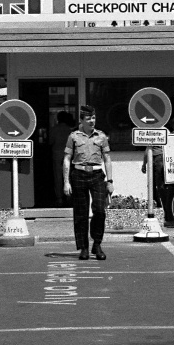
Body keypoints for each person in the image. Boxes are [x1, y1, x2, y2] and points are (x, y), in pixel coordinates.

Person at [63, 105, 113, 260]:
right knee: (80, 213)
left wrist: (110, 181)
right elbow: (66, 159)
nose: (92, 121)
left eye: (94, 118)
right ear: (81, 120)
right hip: (78, 174)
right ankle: (83, 247)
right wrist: (66, 182)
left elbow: (107, 159)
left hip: (97, 175)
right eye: (88, 119)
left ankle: (96, 244)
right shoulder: (73, 137)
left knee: (99, 210)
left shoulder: (101, 136)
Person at [143, 118, 174, 227]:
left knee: (160, 189)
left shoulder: (151, 132)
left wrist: (144, 163)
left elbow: (148, 149)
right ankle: (172, 215)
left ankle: (168, 215)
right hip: (167, 161)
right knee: (168, 189)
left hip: (157, 160)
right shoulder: (165, 131)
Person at [48, 111, 76, 206]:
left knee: (58, 176)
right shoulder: (70, 130)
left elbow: (50, 142)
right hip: (69, 155)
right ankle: (69, 196)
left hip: (57, 155)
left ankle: (59, 198)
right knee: (68, 176)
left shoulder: (54, 130)